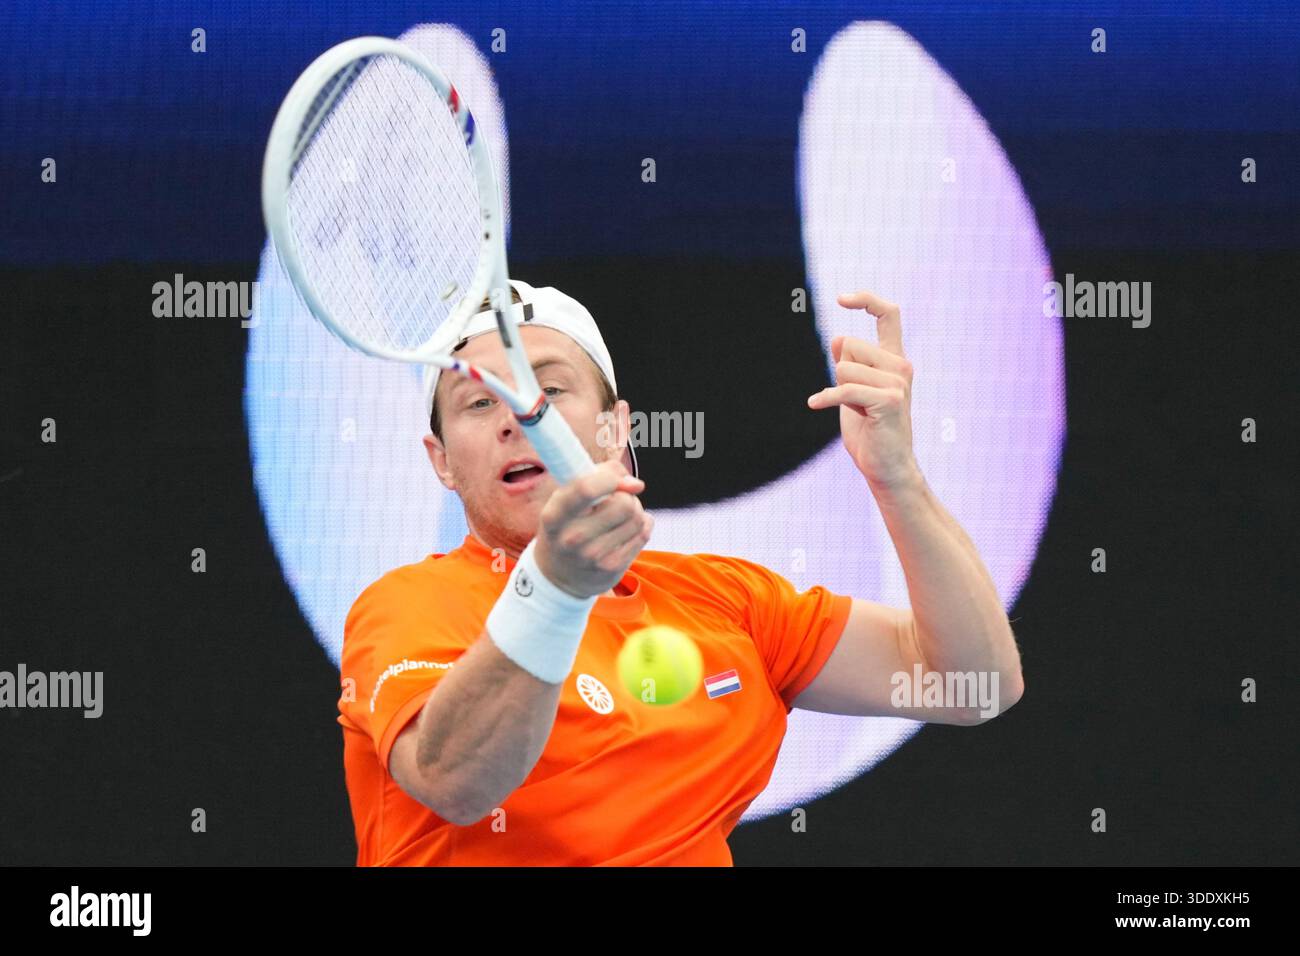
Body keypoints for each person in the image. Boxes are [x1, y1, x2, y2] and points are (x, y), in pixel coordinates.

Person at [336, 279, 1024, 865]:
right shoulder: (406, 607)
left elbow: (971, 684)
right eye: (479, 402)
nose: (520, 416)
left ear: (616, 429)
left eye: (548, 388)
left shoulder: (727, 602)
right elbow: (454, 780)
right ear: (441, 459)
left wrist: (896, 476)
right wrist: (554, 588)